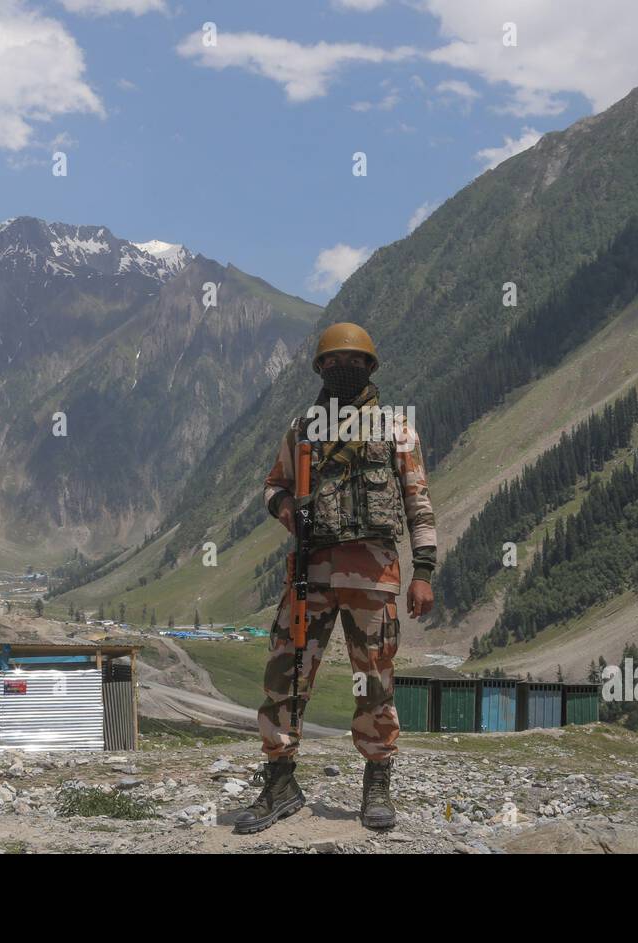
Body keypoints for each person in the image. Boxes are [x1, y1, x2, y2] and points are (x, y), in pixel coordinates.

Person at [235, 322, 437, 834]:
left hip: (376, 580)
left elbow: (418, 502)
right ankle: (280, 781)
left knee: (374, 684)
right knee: (286, 676)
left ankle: (377, 781)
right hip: (311, 578)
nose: (342, 369)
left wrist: (425, 572)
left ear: (370, 369)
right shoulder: (302, 431)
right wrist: (289, 512)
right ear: (319, 369)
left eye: (353, 362)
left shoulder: (396, 430)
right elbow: (271, 487)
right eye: (332, 362)